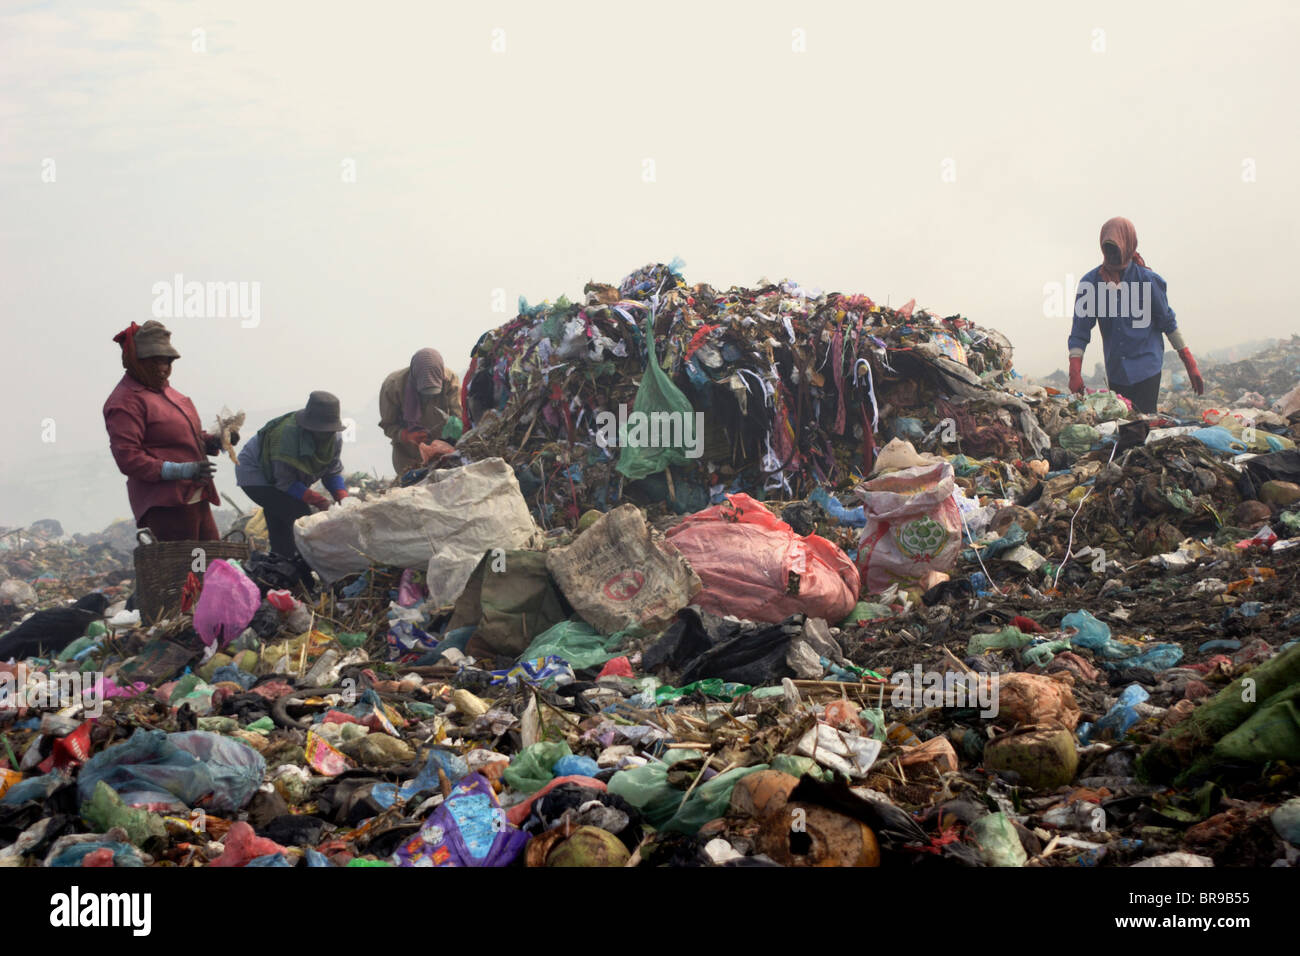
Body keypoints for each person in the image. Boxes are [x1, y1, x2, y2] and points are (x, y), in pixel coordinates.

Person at [103, 321, 235, 541]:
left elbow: (187, 436)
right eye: (155, 361)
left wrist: (217, 441)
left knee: (211, 564)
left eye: (167, 361)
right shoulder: (124, 402)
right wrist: (181, 470)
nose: (163, 367)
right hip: (167, 504)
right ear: (137, 362)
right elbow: (129, 458)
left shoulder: (169, 393)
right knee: (185, 569)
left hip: (197, 496)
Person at [1067, 217, 1203, 414]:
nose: (1112, 255)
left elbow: (1168, 322)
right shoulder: (1091, 284)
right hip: (1116, 369)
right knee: (1123, 423)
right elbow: (1080, 330)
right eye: (1108, 249)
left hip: (1147, 367)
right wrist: (1075, 371)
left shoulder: (1148, 281)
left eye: (1116, 248)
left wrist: (1189, 362)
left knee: (1142, 424)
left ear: (1128, 245)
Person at [236, 391, 349, 560]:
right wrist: (320, 501)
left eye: (328, 431)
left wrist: (344, 499)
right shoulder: (286, 437)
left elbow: (331, 471)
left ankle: (281, 567)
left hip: (284, 480)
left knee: (280, 521)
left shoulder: (335, 438)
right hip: (257, 476)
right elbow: (284, 482)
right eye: (320, 431)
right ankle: (303, 566)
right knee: (301, 516)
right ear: (309, 427)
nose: (325, 435)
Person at [379, 348, 462, 475]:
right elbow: (388, 425)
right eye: (425, 392)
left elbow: (458, 417)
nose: (429, 398)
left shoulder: (450, 381)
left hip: (443, 453)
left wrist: (447, 441)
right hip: (408, 456)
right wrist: (406, 435)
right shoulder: (393, 386)